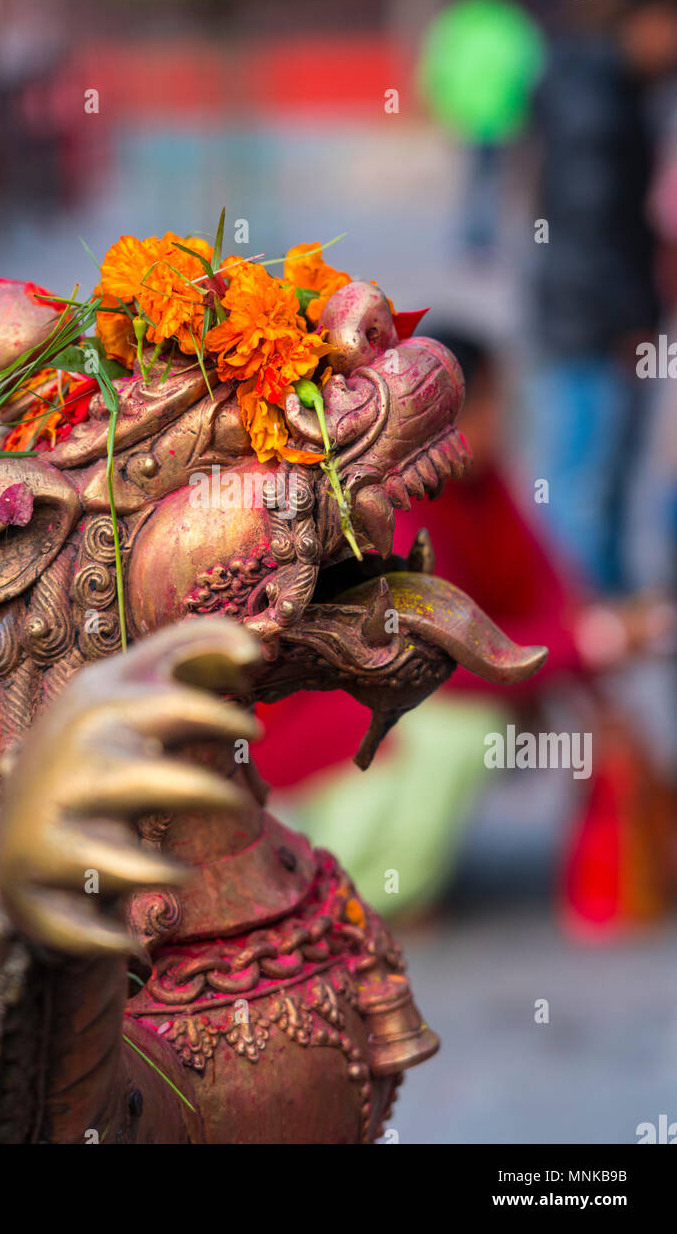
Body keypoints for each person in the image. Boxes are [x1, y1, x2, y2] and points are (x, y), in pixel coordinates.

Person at [259, 328, 674, 919]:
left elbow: (545, 591)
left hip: (394, 705)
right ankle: (363, 895)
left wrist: (595, 689)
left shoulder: (482, 480)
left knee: (492, 717)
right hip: (319, 731)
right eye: (496, 403)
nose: (507, 419)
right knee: (470, 730)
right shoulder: (391, 503)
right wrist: (591, 644)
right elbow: (439, 659)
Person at [527, 0, 677, 592]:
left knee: (604, 478)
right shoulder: (597, 102)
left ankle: (600, 612)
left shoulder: (611, 88)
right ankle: (577, 616)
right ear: (645, 19)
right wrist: (623, 321)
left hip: (597, 316)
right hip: (593, 324)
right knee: (583, 482)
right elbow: (589, 232)